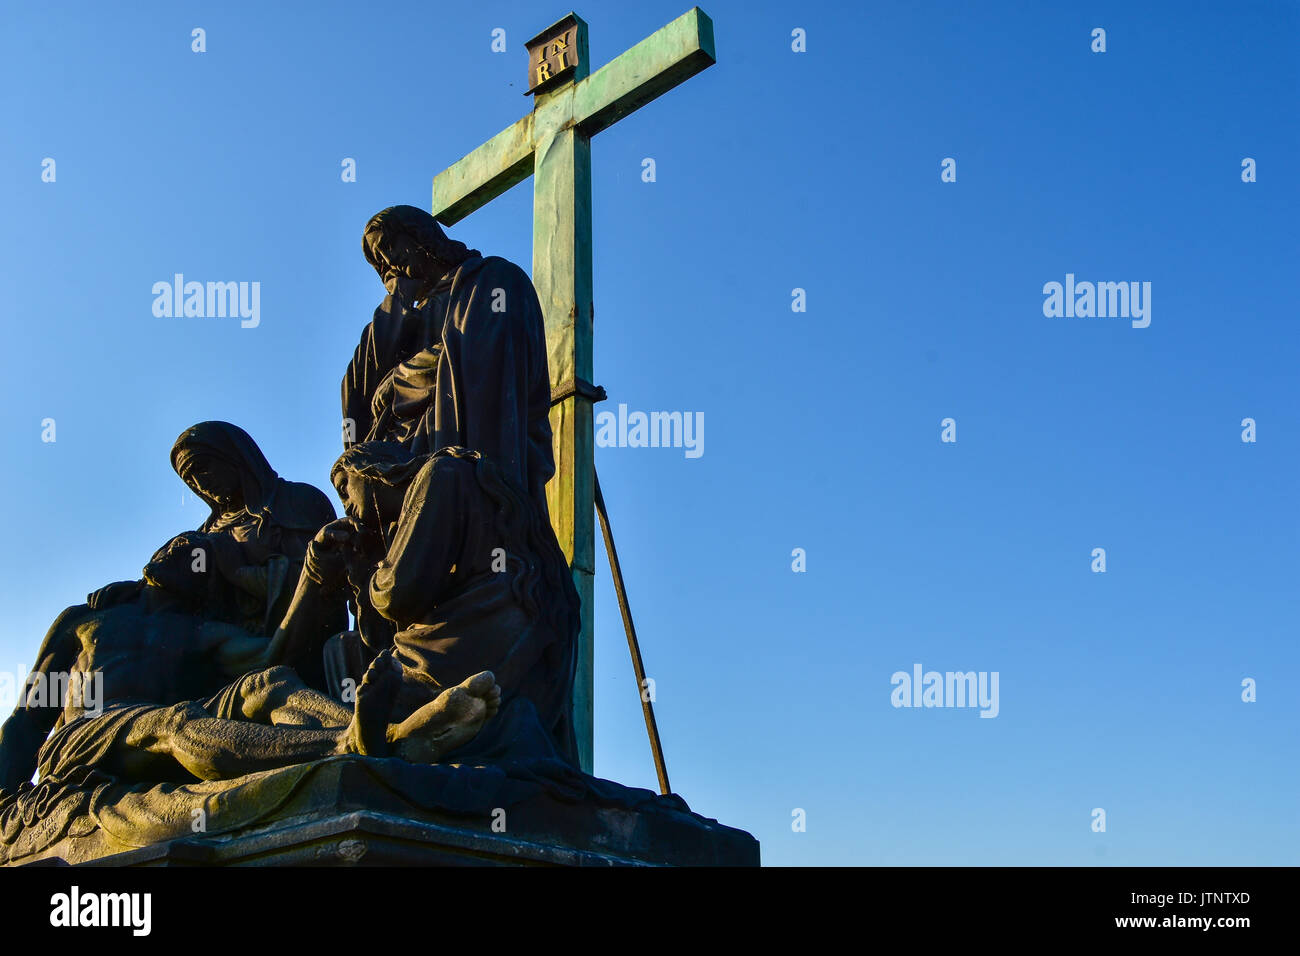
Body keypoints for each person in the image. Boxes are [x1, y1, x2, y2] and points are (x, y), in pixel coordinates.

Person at [309, 442, 580, 765]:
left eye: (345, 490)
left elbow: (398, 594)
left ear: (371, 471)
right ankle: (405, 733)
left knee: (344, 659)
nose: (347, 506)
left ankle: (381, 738)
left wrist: (368, 568)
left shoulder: (439, 475)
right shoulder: (467, 474)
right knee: (347, 659)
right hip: (517, 636)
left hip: (478, 633)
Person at [342, 205, 555, 512]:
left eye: (389, 245)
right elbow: (357, 391)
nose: (388, 261)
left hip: (464, 452)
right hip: (407, 459)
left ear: (420, 236)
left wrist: (404, 378)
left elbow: (482, 349)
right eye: (378, 260)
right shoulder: (405, 320)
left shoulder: (490, 280)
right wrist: (395, 306)